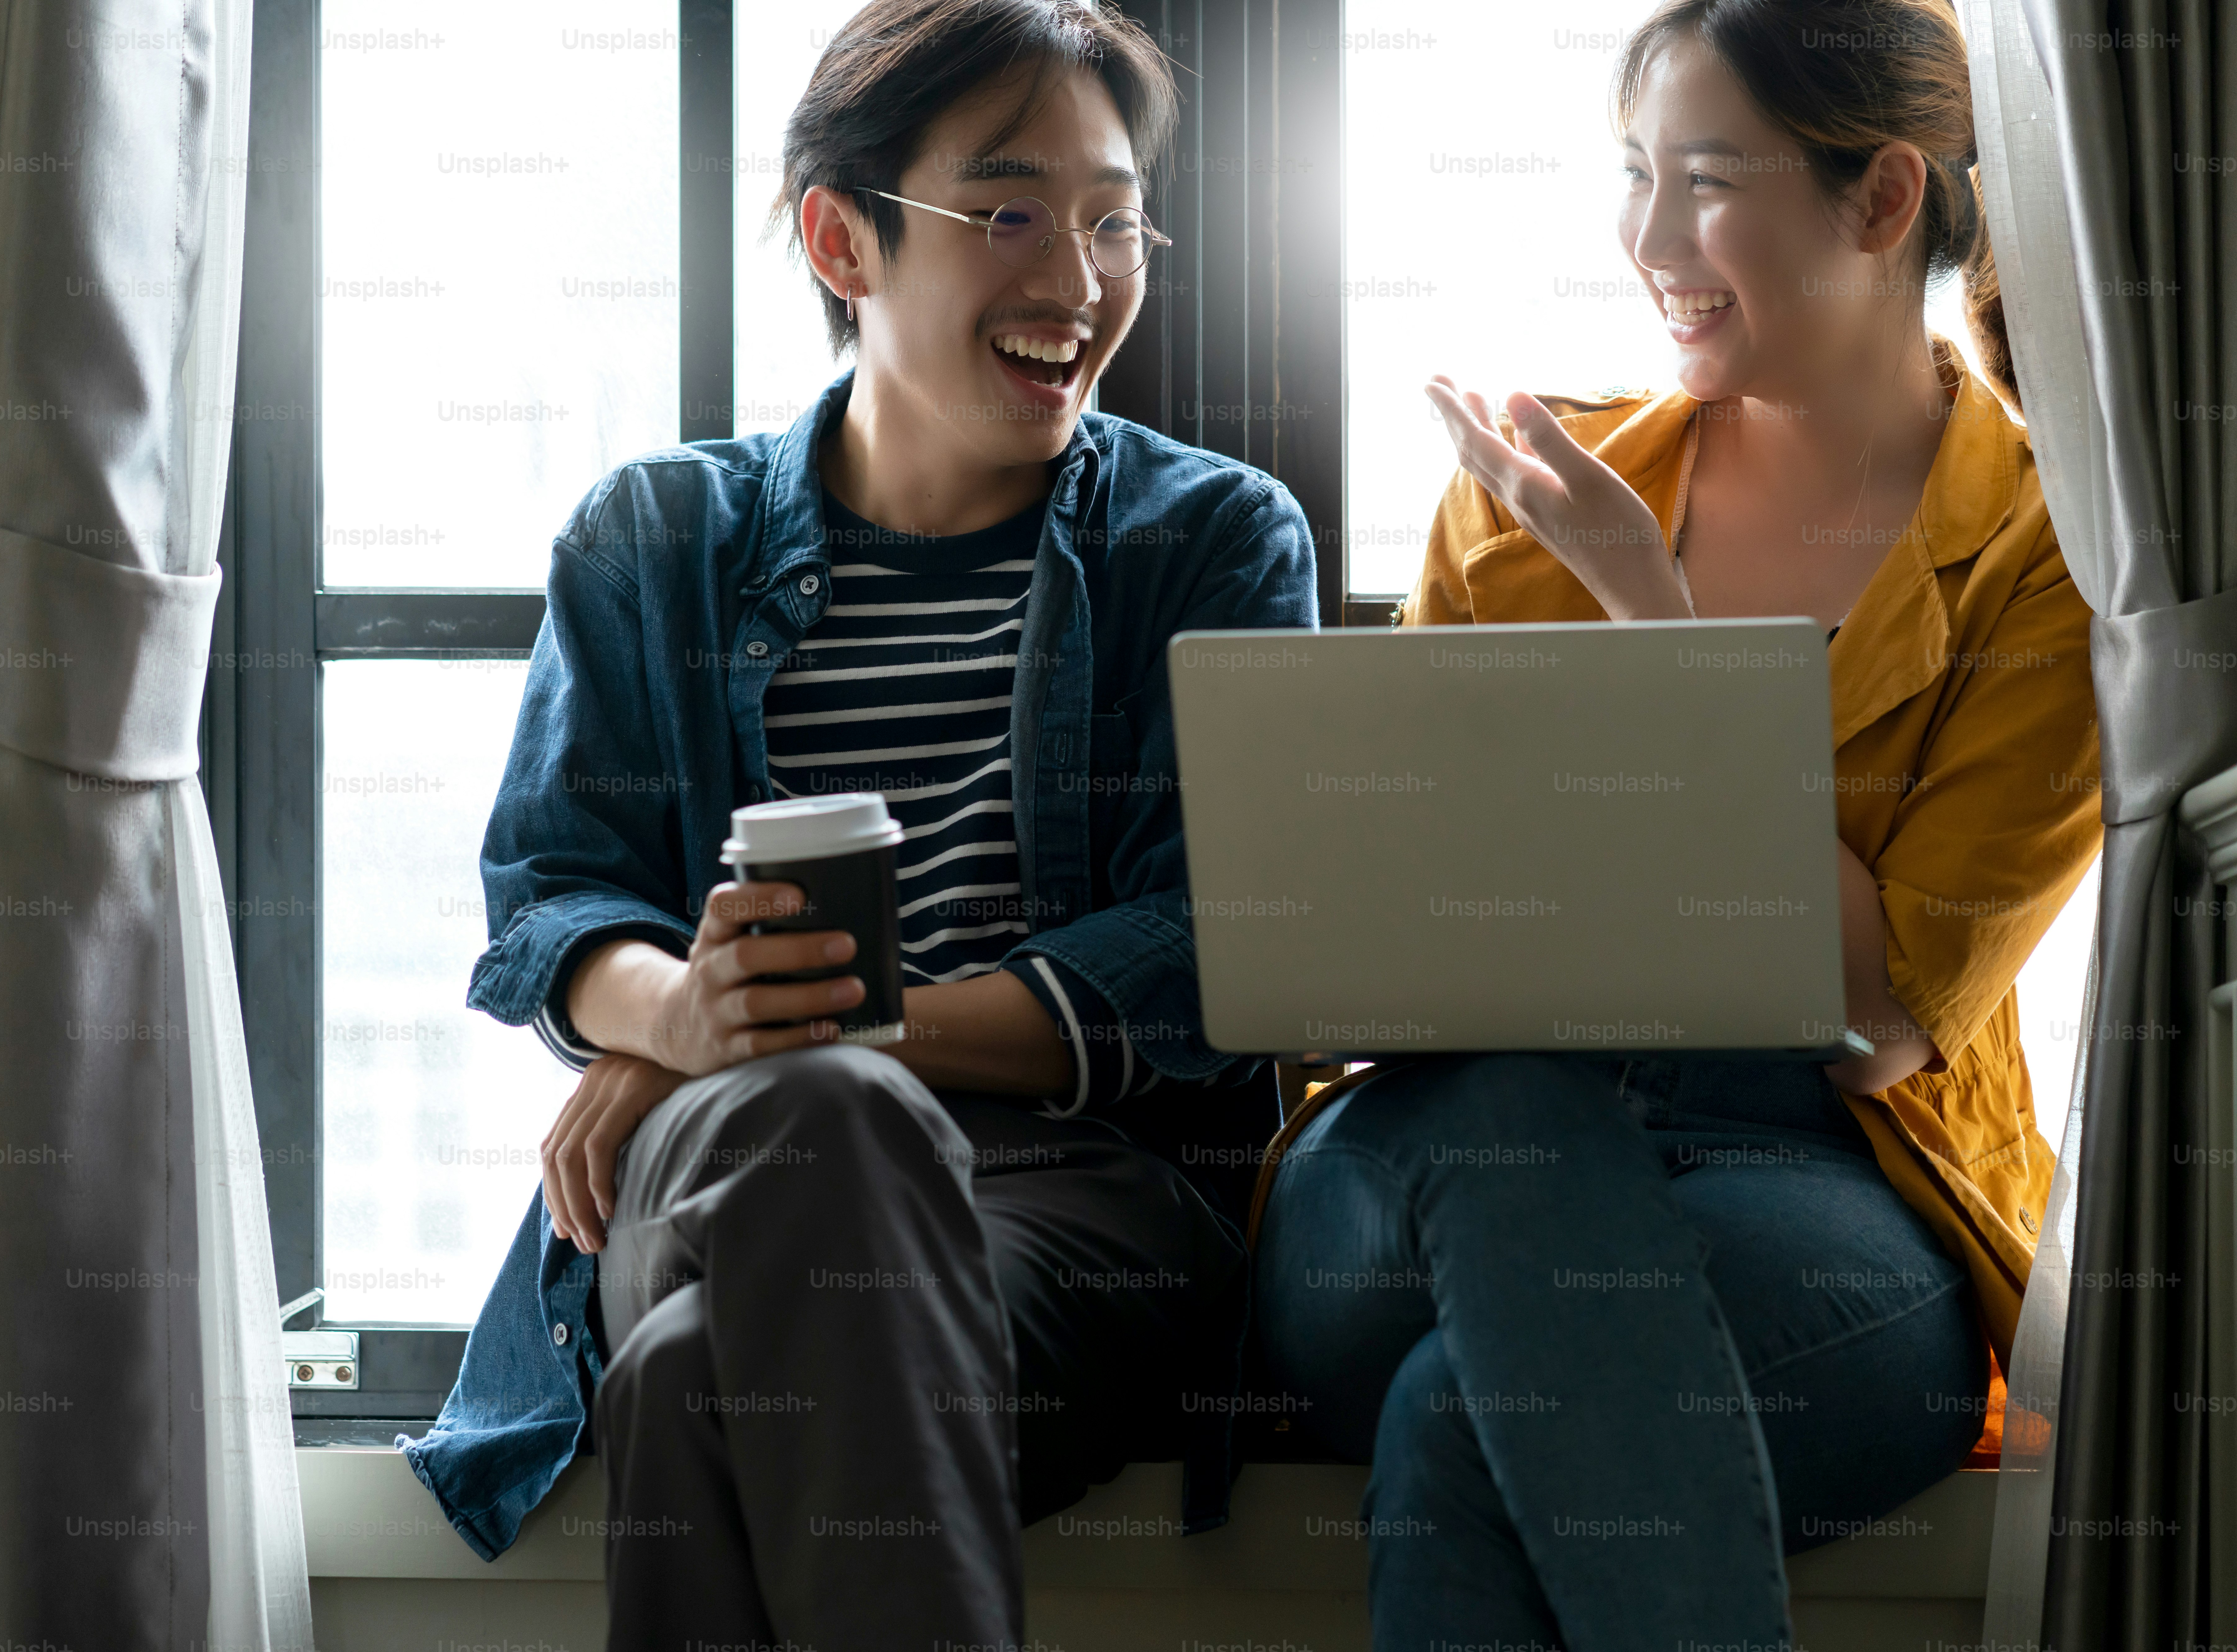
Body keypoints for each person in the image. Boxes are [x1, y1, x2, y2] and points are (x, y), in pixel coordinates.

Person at [396, 2, 1315, 1645]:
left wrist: (784, 1030)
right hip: (713, 1164)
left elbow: (1220, 944)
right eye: (1013, 212)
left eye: (1116, 220)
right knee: (817, 1117)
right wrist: (681, 1010)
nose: (1083, 279)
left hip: (1075, 1207)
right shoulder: (658, 534)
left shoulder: (1211, 541)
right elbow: (552, 900)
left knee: (695, 1370)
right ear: (845, 238)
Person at [1249, 0, 2101, 1645]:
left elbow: (1875, 1013)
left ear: (1882, 199)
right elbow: (1381, 931)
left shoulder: (2042, 561)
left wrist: (1653, 613)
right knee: (1513, 1110)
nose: (1645, 236)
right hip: (1442, 1158)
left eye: (1704, 179)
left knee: (1459, 1419)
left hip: (1818, 1175)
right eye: (1634, 173)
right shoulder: (1517, 506)